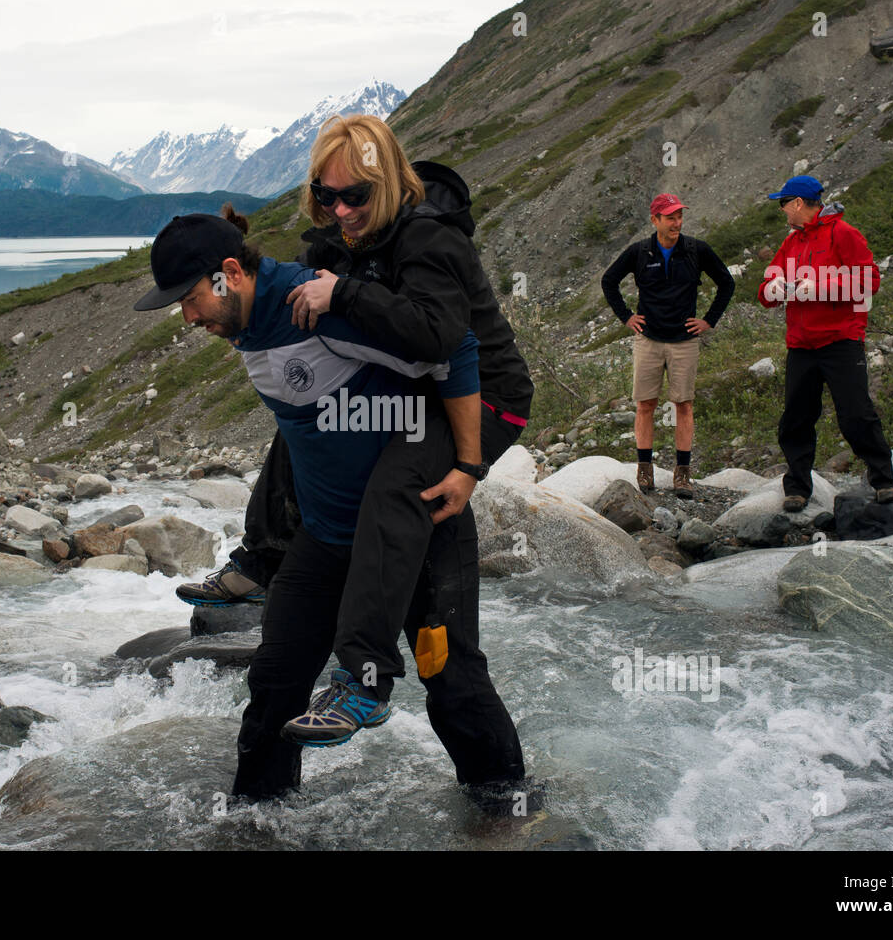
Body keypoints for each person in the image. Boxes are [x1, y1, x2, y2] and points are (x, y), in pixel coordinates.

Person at [134, 209, 526, 801]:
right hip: (324, 540)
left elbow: (453, 349)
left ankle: (507, 813)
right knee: (274, 683)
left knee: (452, 682)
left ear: (229, 274)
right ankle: (255, 824)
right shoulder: (249, 327)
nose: (188, 318)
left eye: (190, 300)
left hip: (414, 536)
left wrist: (469, 466)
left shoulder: (313, 308)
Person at [176, 115, 533, 746]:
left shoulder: (430, 239)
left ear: (388, 183)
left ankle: (367, 685)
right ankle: (262, 558)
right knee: (299, 421)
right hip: (414, 396)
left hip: (484, 398)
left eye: (355, 196)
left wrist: (470, 469)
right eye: (326, 195)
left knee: (401, 494)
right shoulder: (338, 243)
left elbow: (442, 340)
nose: (340, 210)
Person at [755, 175, 893, 511]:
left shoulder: (843, 234)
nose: (782, 211)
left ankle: (884, 481)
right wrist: (772, 290)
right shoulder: (792, 243)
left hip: (841, 341)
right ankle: (798, 488)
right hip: (801, 345)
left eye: (784, 204)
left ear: (799, 203)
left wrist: (818, 287)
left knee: (856, 415)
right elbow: (765, 289)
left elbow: (869, 282)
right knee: (796, 418)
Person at [601, 194, 734, 498]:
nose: (677, 223)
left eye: (679, 216)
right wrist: (626, 317)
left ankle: (683, 474)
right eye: (670, 217)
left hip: (684, 341)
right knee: (645, 404)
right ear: (655, 220)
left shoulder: (696, 250)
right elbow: (609, 281)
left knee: (683, 404)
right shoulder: (639, 251)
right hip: (648, 339)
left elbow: (727, 282)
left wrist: (708, 320)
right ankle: (644, 469)